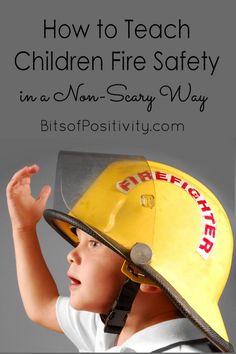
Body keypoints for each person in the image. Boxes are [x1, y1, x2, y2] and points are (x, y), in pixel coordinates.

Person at [6, 152, 234, 352]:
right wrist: (24, 228)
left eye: (94, 244)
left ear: (146, 276)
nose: (71, 255)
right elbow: (42, 306)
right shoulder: (113, 327)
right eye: (79, 240)